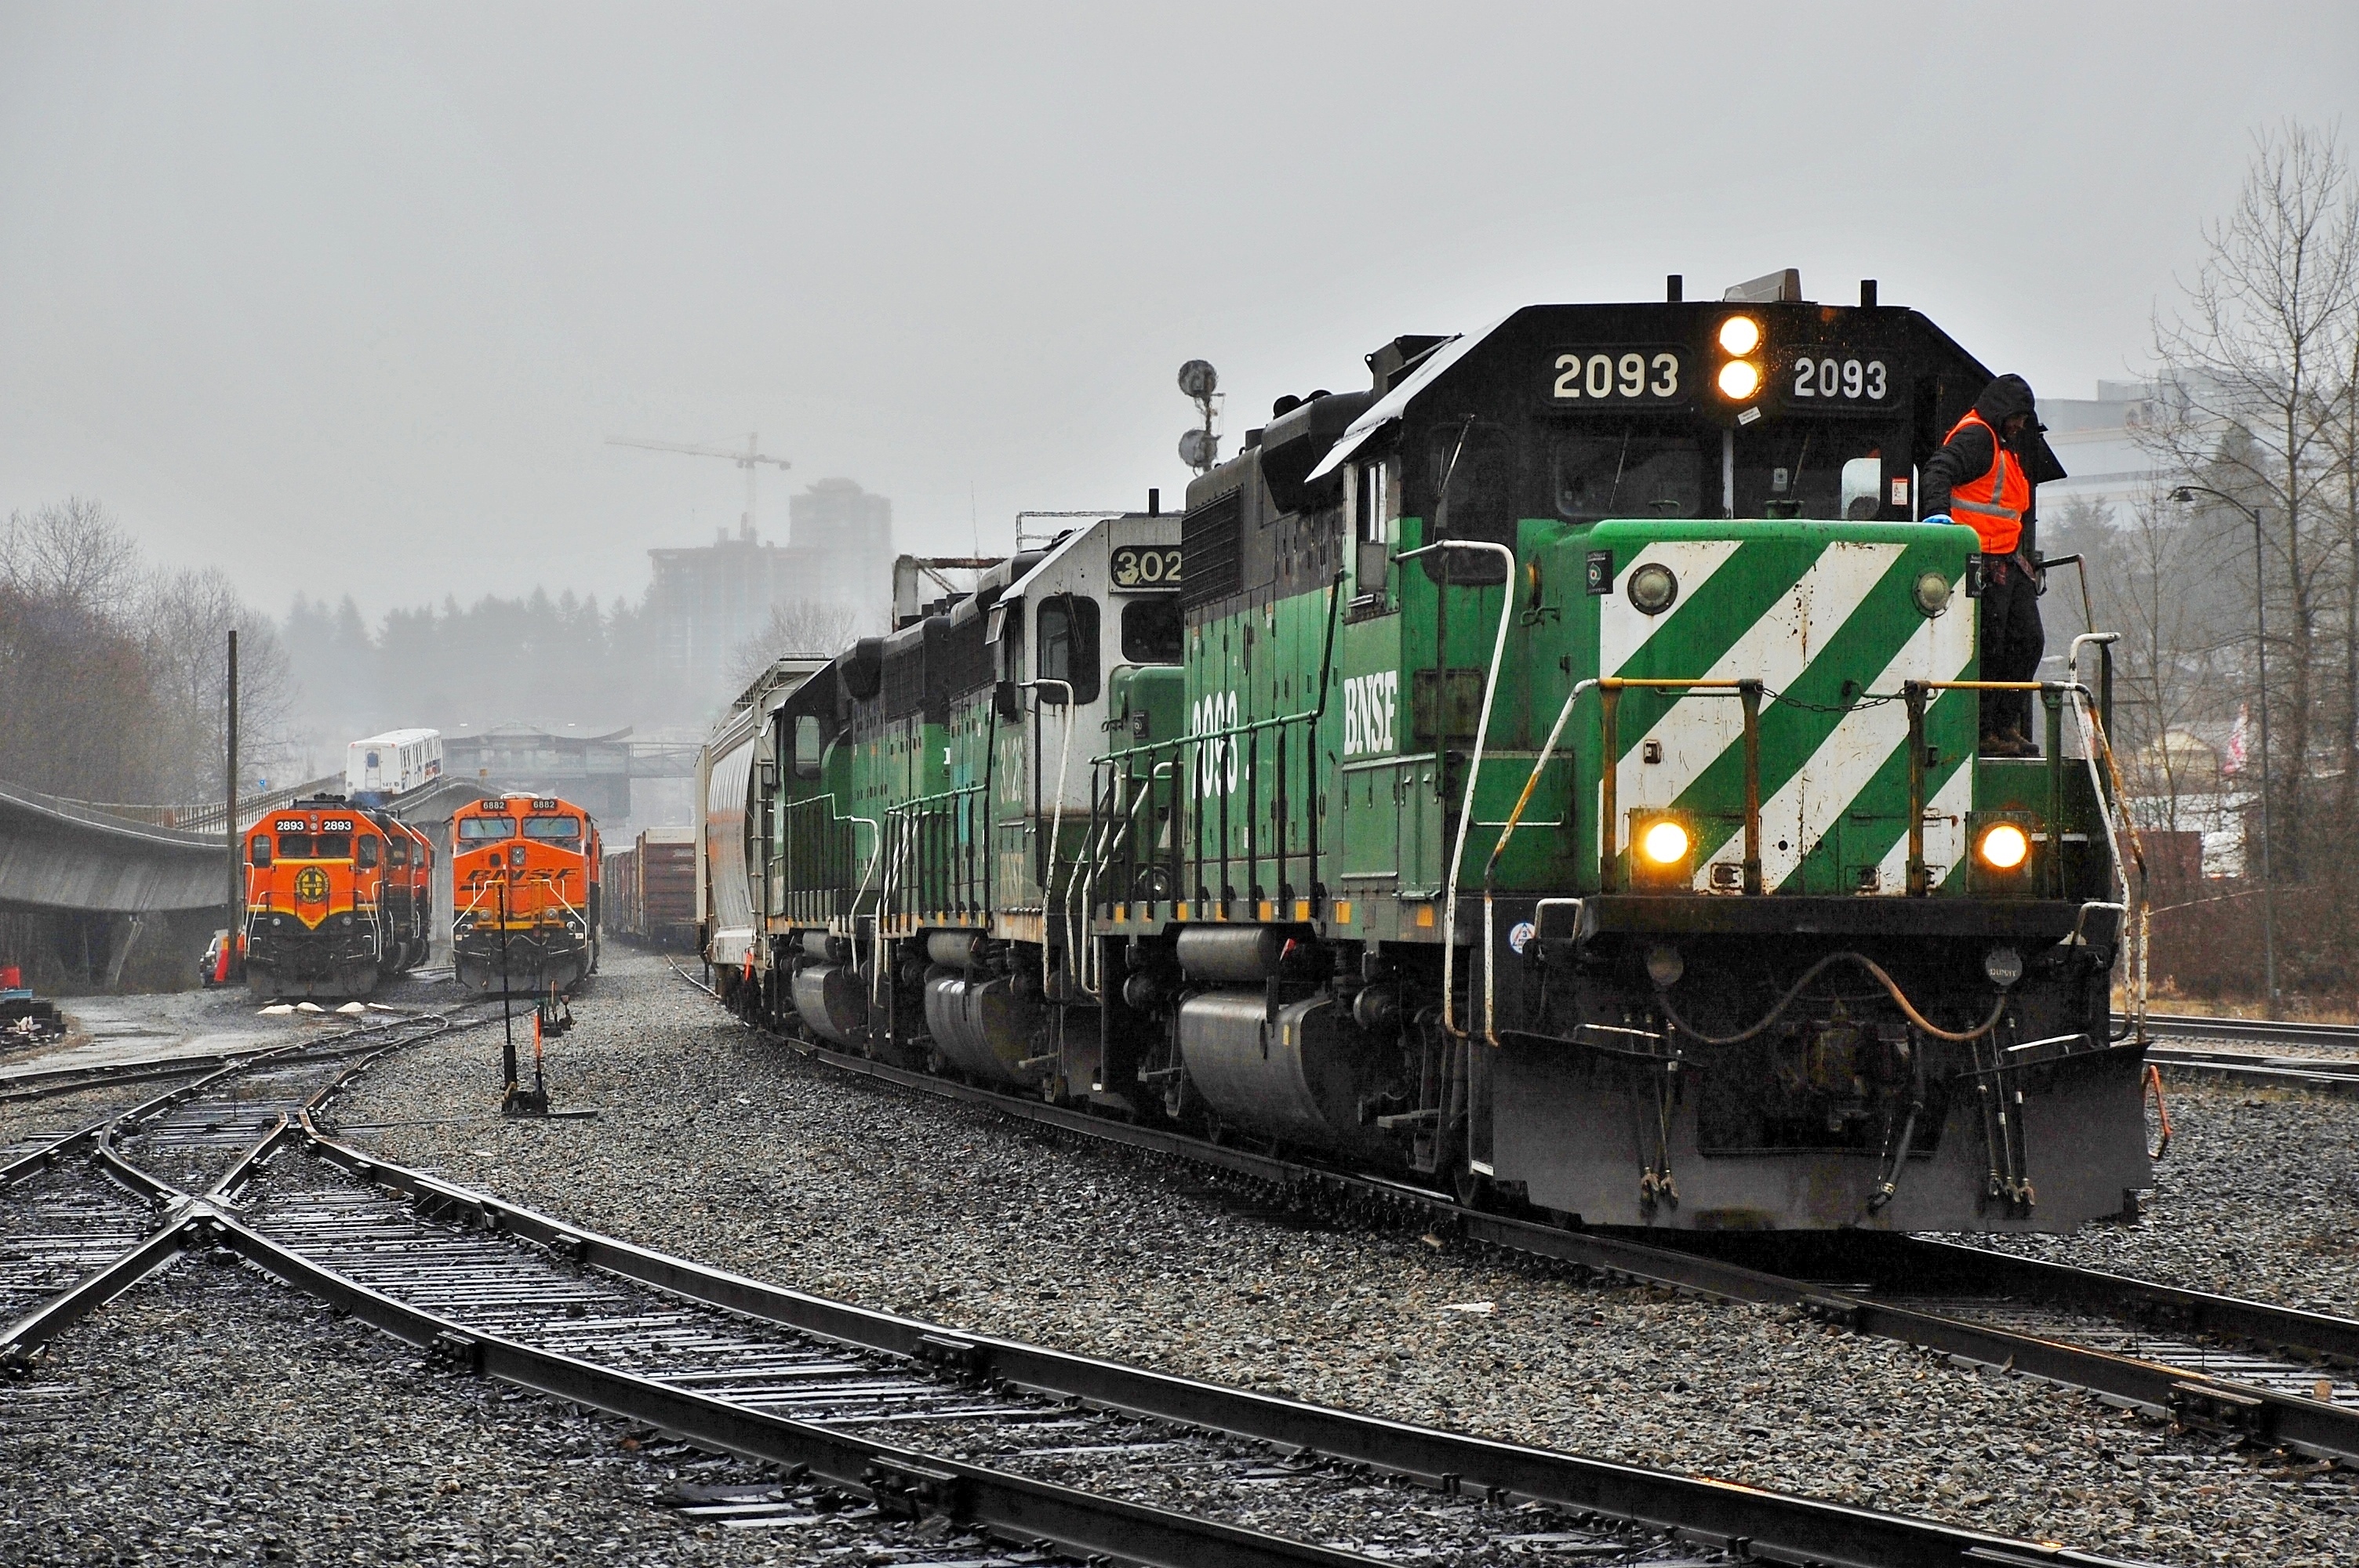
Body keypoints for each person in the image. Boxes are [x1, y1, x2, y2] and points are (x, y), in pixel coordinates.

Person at [1921, 374, 2045, 757]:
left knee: (2026, 641)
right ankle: (1984, 731)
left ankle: (2004, 725)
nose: (2021, 426)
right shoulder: (1978, 438)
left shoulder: (2006, 446)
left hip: (2006, 560)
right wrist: (1938, 516)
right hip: (1977, 561)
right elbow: (1939, 469)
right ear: (2003, 413)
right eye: (2018, 417)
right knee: (1989, 648)